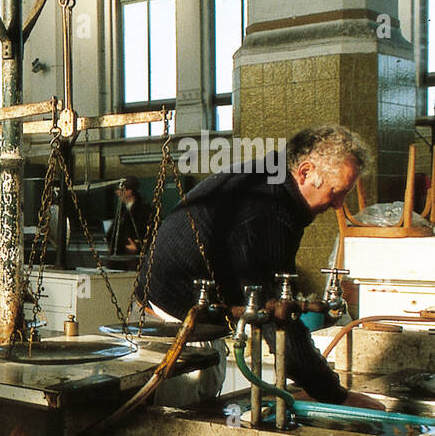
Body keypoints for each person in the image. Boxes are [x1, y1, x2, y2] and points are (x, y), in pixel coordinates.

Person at [135, 124, 382, 408]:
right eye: (337, 191)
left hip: (182, 317)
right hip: (174, 330)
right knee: (176, 426)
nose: (339, 204)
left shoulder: (273, 178)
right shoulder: (268, 210)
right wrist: (335, 395)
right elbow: (277, 316)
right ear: (305, 172)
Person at [108, 175, 153, 257]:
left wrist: (139, 246)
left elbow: (151, 233)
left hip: (137, 255)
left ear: (129, 191)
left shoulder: (144, 209)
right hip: (121, 254)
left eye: (120, 190)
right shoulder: (122, 210)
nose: (117, 193)